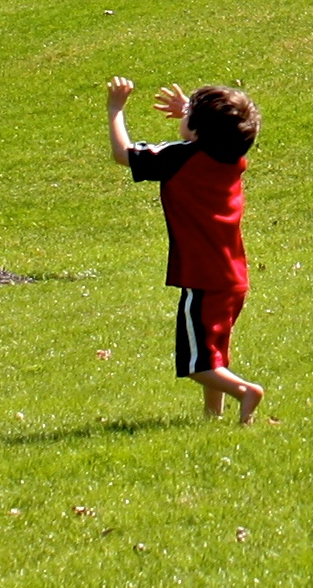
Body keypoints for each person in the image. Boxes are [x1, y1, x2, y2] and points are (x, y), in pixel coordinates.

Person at [106, 76, 264, 422]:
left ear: (198, 130)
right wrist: (191, 115)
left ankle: (245, 392)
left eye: (190, 113)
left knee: (195, 364)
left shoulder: (180, 158)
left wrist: (116, 108)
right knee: (214, 354)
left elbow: (123, 154)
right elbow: (215, 136)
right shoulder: (232, 157)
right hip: (232, 277)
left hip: (202, 277)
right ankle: (212, 415)